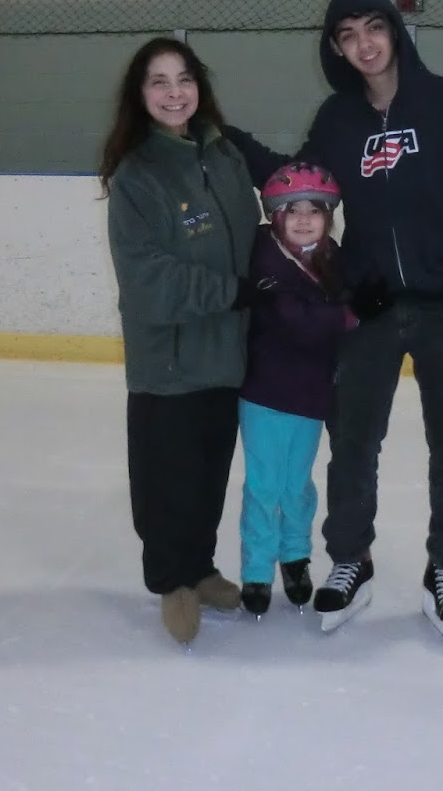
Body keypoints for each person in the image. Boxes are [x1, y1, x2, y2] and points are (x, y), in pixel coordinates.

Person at [226, 0, 443, 646]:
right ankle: (350, 559)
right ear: (335, 48)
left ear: (394, 30)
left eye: (373, 27)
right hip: (370, 306)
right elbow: (300, 181)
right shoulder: (338, 119)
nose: (364, 44)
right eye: (347, 35)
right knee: (353, 442)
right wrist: (233, 141)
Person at [101, 37, 262, 645]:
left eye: (184, 78)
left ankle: (199, 567)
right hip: (168, 359)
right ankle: (172, 581)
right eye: (159, 81)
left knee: (209, 471)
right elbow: (147, 279)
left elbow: (250, 238)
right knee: (166, 479)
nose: (174, 93)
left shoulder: (224, 155)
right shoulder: (137, 175)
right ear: (140, 95)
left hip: (226, 350)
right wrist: (233, 291)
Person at [236, 162, 354, 618]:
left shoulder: (334, 259)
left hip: (310, 395)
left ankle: (295, 556)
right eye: (293, 211)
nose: (304, 220)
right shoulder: (265, 261)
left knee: (296, 483)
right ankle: (257, 571)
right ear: (275, 216)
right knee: (264, 484)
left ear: (328, 217)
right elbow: (298, 321)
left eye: (314, 211)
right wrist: (352, 314)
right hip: (265, 393)